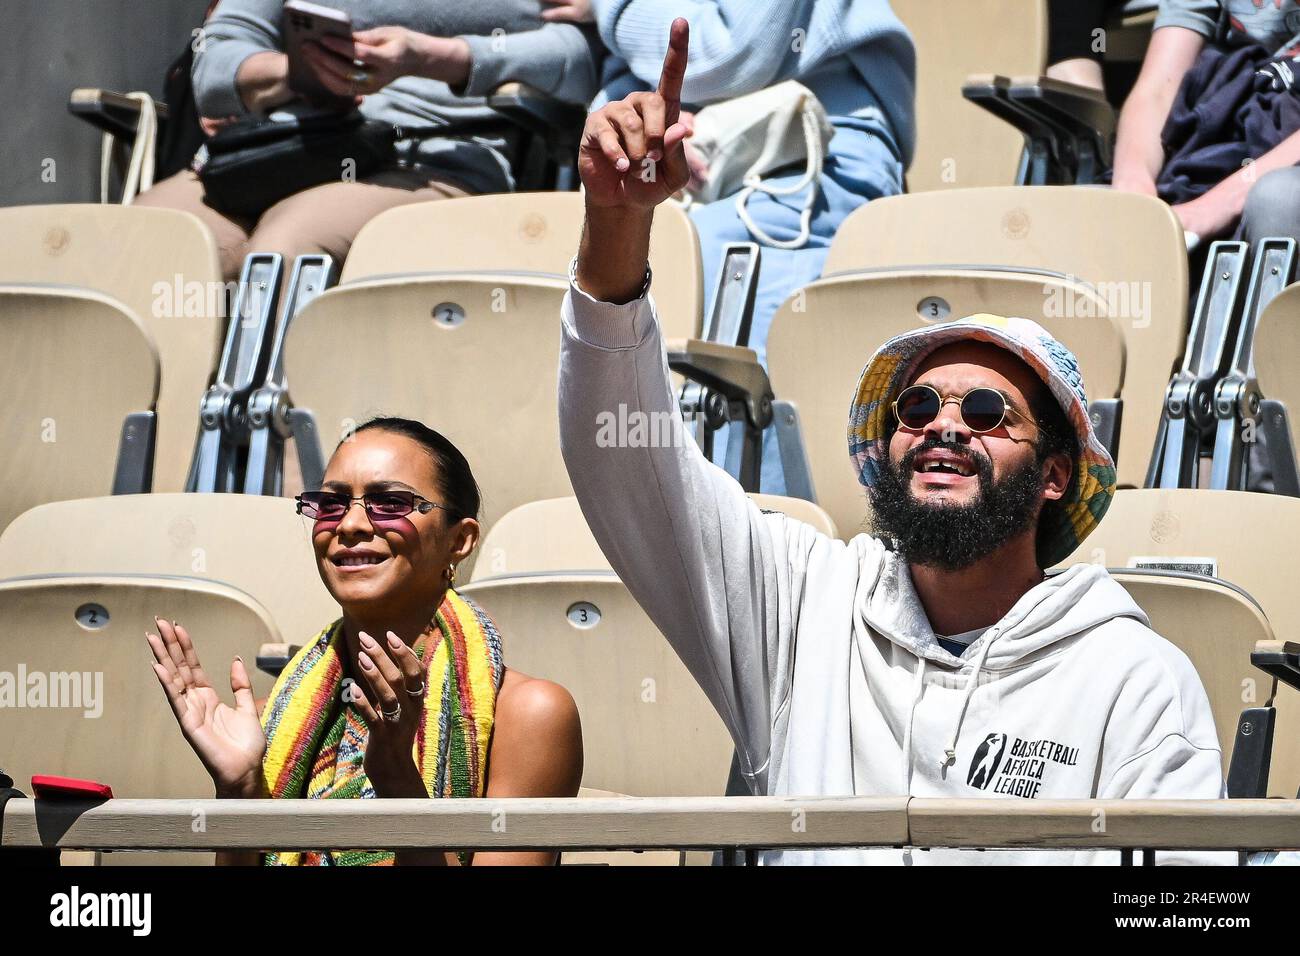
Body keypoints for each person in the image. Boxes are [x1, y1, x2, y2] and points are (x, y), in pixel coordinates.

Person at [560, 19, 1228, 865]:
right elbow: (620, 463)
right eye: (915, 408)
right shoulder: (803, 609)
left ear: (1057, 475)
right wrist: (615, 225)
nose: (943, 425)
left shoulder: (1134, 676)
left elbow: (1186, 900)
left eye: (988, 412)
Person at [147, 417, 583, 865]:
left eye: (390, 502)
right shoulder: (268, 723)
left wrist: (397, 782)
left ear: (460, 540)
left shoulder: (530, 715)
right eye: (331, 504)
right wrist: (240, 793)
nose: (351, 523)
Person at [589, 0, 915, 493]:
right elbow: (574, 60)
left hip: (805, 160)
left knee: (734, 319)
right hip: (654, 156)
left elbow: (729, 51)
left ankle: (760, 535)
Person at [135, 0, 599, 280]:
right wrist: (305, 72)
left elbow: (578, 59)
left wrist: (434, 58)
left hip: (429, 158)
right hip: (274, 151)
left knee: (285, 253)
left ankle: (284, 445)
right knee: (139, 245)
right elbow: (214, 61)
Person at [1111, 0, 1300, 246]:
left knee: (1276, 201)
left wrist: (1210, 208)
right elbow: (1157, 89)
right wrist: (1135, 192)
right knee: (1082, 213)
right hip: (1226, 137)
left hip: (1278, 169)